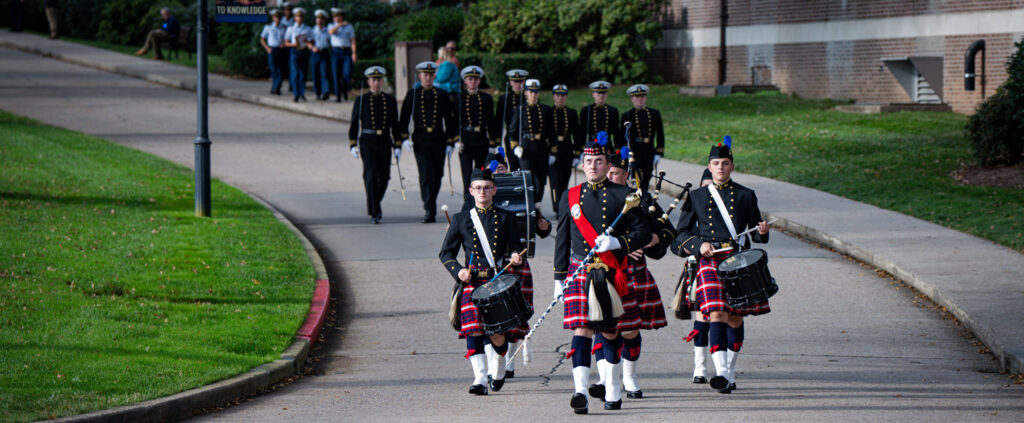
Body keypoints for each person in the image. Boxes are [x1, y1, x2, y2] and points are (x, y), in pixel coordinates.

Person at [554, 132, 651, 413]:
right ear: (582, 164)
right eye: (588, 161)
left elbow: (643, 232)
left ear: (608, 164)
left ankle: (612, 389)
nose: (592, 166)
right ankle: (580, 390)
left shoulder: (625, 194)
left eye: (598, 161)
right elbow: (562, 238)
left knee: (609, 332)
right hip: (580, 270)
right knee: (581, 329)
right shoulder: (570, 195)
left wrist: (619, 242)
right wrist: (559, 278)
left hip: (612, 270)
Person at [670, 137, 772, 394]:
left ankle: (730, 371)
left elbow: (756, 233)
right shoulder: (697, 196)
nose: (721, 168)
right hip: (710, 261)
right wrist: (698, 245)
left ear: (732, 166)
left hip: (738, 261)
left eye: (725, 163)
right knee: (715, 313)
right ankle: (721, 373)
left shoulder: (746, 195)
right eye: (716, 163)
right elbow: (680, 235)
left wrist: (762, 230)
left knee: (735, 319)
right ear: (710, 166)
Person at [588, 147, 671, 401]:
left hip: (631, 273)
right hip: (601, 271)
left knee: (630, 329)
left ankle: (630, 376)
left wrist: (650, 240)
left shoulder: (642, 200)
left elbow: (667, 233)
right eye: (609, 172)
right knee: (604, 325)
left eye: (617, 173)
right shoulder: (590, 198)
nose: (612, 177)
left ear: (627, 176)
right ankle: (605, 378)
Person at [439, 167, 525, 395]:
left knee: (496, 334)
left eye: (487, 188)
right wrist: (458, 272)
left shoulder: (506, 217)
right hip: (472, 282)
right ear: (470, 191)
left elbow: (517, 246)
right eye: (478, 188)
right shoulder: (460, 219)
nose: (482, 192)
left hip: (496, 281)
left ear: (494, 190)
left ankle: (497, 370)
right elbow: (445, 253)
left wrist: (517, 256)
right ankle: (479, 379)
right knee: (474, 331)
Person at [480, 153, 552, 380]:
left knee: (516, 314)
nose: (498, 172)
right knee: (491, 316)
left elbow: (538, 227)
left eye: (502, 168)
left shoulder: (520, 189)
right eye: (494, 169)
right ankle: (495, 362)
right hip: (489, 264)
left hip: (516, 261)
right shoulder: (479, 195)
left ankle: (509, 359)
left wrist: (543, 226)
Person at [399, 61, 456, 223]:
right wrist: (403, 138)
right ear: (420, 76)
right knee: (425, 174)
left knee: (437, 175)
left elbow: (449, 120)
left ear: (434, 76)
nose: (428, 78)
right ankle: (429, 208)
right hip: (421, 138)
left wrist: (451, 142)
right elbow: (404, 118)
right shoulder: (413, 94)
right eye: (425, 75)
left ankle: (431, 201)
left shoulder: (442, 94)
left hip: (438, 138)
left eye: (431, 75)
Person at [348, 66, 401, 224]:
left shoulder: (390, 100)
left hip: (384, 141)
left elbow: (395, 125)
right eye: (373, 80)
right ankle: (375, 211)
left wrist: (397, 144)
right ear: (368, 81)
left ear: (383, 81)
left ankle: (374, 203)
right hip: (368, 141)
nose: (376, 83)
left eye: (379, 80)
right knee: (370, 175)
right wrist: (352, 143)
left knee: (384, 177)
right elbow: (354, 123)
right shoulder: (361, 100)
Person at [685, 167, 716, 385]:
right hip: (699, 267)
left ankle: (723, 368)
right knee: (701, 319)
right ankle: (700, 367)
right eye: (706, 186)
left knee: (726, 318)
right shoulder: (695, 203)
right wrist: (693, 246)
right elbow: (678, 240)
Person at [506, 78, 554, 207]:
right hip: (526, 150)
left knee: (540, 181)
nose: (534, 94)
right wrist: (515, 146)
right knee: (527, 180)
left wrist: (553, 151)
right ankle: (528, 206)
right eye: (531, 92)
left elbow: (551, 132)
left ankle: (537, 204)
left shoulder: (546, 110)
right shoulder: (520, 110)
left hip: (541, 149)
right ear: (526, 92)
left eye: (536, 92)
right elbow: (512, 132)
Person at [454, 66, 497, 209]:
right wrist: (455, 140)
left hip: (481, 140)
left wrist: (493, 142)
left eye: (475, 79)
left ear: (479, 81)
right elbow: (453, 121)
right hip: (465, 141)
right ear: (465, 81)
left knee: (481, 174)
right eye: (470, 79)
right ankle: (468, 203)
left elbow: (491, 121)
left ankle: (480, 203)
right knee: (467, 175)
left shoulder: (486, 98)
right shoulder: (459, 98)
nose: (472, 82)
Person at [620, 84, 665, 190]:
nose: (640, 99)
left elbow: (660, 133)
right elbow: (622, 136)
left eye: (642, 96)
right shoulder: (627, 115)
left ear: (646, 98)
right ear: (632, 99)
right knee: (636, 178)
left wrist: (659, 152)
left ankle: (643, 199)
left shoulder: (654, 113)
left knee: (647, 176)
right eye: (637, 97)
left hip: (649, 149)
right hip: (635, 150)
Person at [548, 84, 582, 215]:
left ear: (566, 97)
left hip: (567, 149)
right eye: (558, 95)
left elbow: (577, 134)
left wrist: (577, 153)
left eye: (563, 96)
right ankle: (557, 207)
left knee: (564, 180)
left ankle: (563, 205)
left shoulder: (571, 113)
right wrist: (549, 151)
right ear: (553, 97)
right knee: (555, 181)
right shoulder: (549, 112)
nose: (560, 98)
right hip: (553, 150)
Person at [495, 69, 528, 170]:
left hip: (525, 137)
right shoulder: (504, 98)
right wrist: (497, 142)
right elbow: (498, 121)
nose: (518, 84)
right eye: (515, 81)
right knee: (514, 167)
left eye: (521, 81)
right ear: (510, 82)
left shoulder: (528, 97)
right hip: (510, 136)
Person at [580, 81, 620, 154]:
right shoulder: (587, 110)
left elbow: (616, 131)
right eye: (598, 93)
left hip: (607, 145)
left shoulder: (612, 110)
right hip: (592, 144)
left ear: (607, 95)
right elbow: (582, 131)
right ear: (593, 94)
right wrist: (582, 147)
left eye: (603, 93)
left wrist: (617, 148)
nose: (601, 96)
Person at [327, 7, 356, 102]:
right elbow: (331, 32)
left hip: (346, 52)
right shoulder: (331, 25)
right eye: (334, 16)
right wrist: (339, 25)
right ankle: (338, 95)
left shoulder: (349, 27)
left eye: (337, 16)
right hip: (336, 51)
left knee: (347, 73)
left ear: (341, 16)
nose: (335, 18)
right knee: (336, 74)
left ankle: (344, 90)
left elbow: (352, 40)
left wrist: (354, 53)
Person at [284, 8, 312, 102]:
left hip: (303, 51)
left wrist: (307, 41)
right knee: (295, 73)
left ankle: (302, 93)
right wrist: (293, 44)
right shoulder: (291, 28)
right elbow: (286, 42)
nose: (299, 18)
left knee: (303, 74)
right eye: (297, 16)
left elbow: (312, 40)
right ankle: (296, 94)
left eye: (300, 16)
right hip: (294, 51)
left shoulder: (307, 28)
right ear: (295, 18)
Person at [260, 9, 287, 96]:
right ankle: (275, 87)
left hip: (281, 49)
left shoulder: (284, 27)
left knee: (281, 70)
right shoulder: (268, 27)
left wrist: (284, 44)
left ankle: (276, 87)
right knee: (273, 69)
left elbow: (287, 39)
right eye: (276, 17)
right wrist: (267, 48)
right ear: (273, 18)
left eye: (279, 17)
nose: (278, 19)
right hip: (272, 49)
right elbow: (262, 39)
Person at [309, 10, 332, 101]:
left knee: (324, 73)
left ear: (324, 20)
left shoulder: (327, 31)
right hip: (315, 53)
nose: (319, 20)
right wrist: (312, 47)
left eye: (321, 19)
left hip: (324, 52)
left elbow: (330, 42)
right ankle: (318, 93)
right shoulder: (312, 30)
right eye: (318, 18)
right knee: (315, 74)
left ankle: (325, 92)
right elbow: (308, 42)